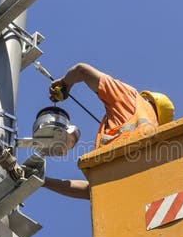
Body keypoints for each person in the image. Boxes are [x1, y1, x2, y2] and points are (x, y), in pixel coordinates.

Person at [43, 63, 174, 199]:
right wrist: (44, 181)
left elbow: (82, 70)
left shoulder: (131, 98)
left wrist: (65, 83)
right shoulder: (154, 141)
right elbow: (94, 190)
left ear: (148, 99)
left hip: (116, 172)